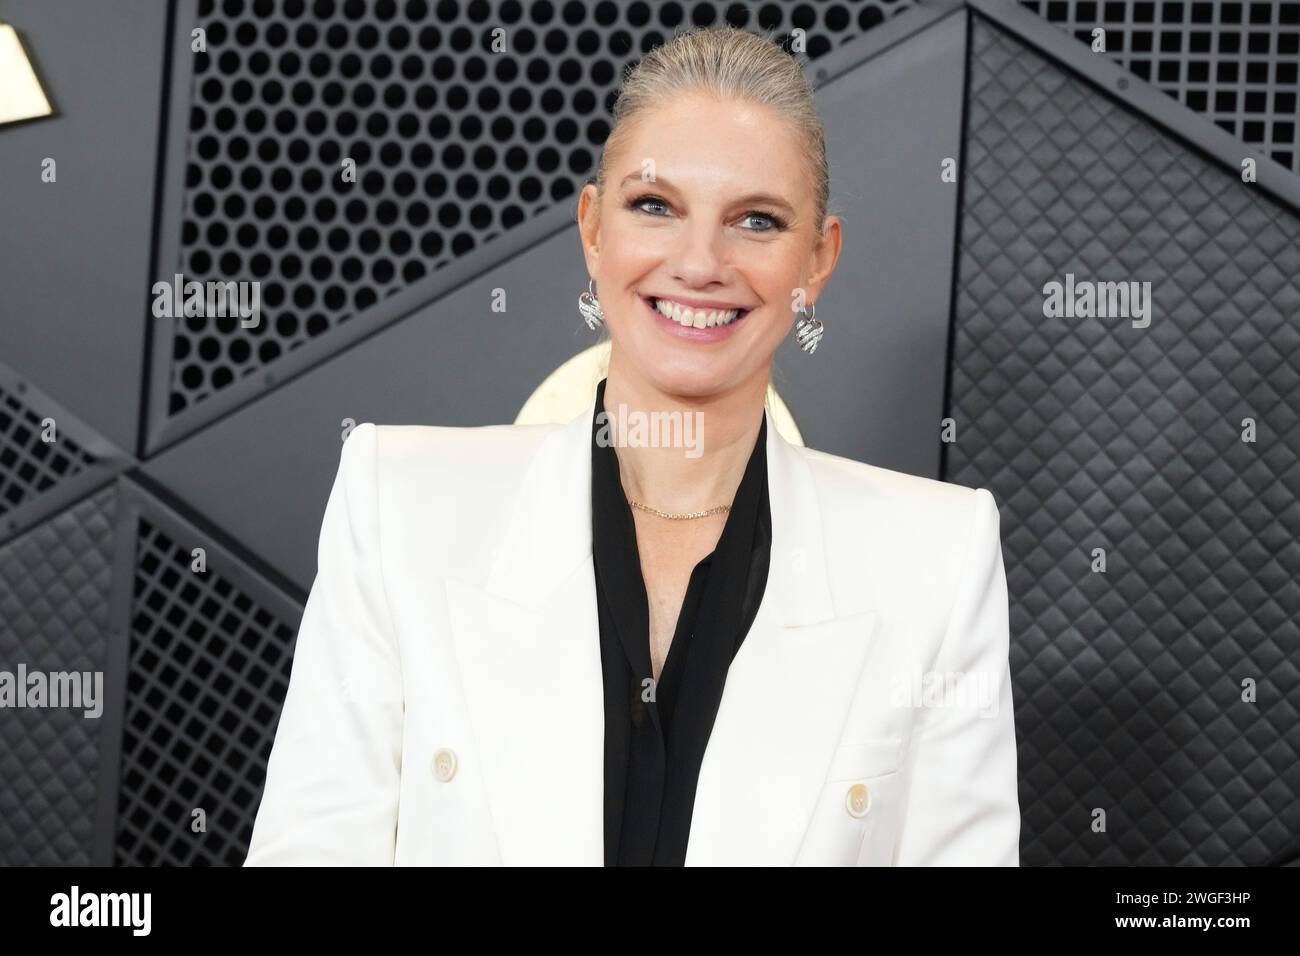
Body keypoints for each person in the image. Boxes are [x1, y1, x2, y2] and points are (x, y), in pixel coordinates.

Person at [244, 25, 1019, 866]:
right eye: (656, 206)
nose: (700, 263)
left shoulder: (936, 558)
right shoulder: (398, 504)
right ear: (593, 229)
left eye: (756, 221)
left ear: (817, 260)